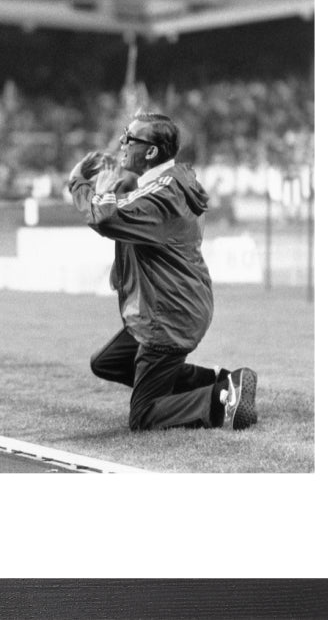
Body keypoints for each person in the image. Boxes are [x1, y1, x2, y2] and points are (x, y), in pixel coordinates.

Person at [67, 112, 258, 431]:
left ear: (151, 151)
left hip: (168, 315)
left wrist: (97, 187)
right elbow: (118, 219)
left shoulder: (163, 192)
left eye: (129, 138)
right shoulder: (166, 185)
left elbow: (106, 218)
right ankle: (219, 379)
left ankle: (220, 397)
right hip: (167, 308)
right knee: (108, 363)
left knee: (143, 417)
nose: (121, 144)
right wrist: (79, 183)